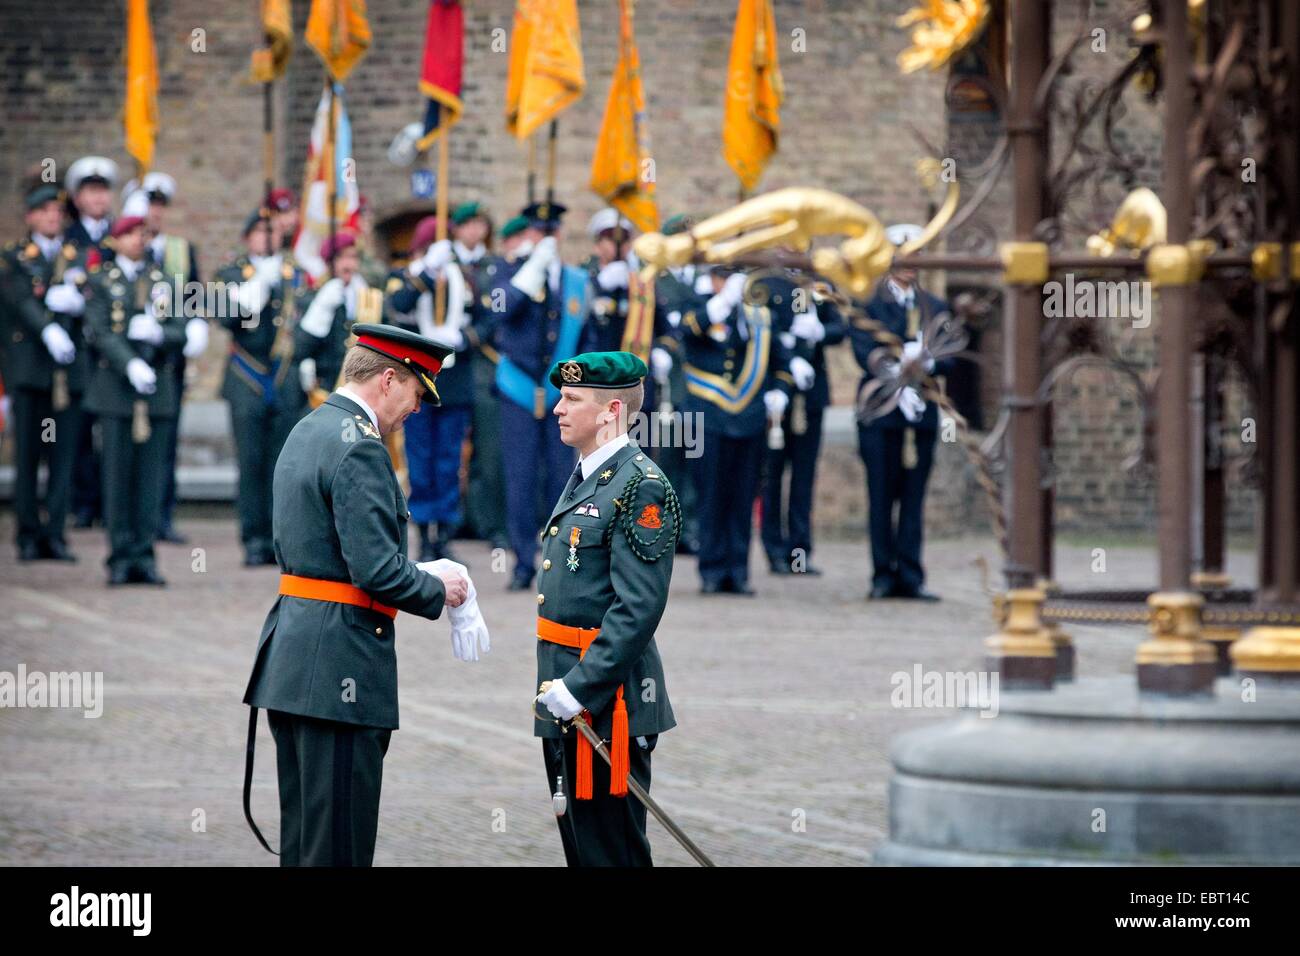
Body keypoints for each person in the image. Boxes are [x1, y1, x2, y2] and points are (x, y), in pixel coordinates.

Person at [242, 324, 474, 867]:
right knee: (338, 848)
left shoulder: (310, 428)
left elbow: (329, 553)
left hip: (293, 657)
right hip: (339, 666)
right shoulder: (362, 448)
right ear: (389, 380)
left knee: (305, 845)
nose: (416, 410)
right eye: (417, 394)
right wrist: (441, 587)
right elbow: (376, 572)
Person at [533, 350, 678, 867]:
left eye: (572, 400)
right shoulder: (590, 474)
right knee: (582, 845)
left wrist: (580, 686)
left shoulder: (641, 486)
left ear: (611, 410)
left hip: (608, 702)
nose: (558, 409)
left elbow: (637, 608)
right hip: (568, 692)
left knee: (611, 853)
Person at [81, 214, 196, 586]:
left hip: (157, 389)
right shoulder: (101, 280)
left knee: (150, 477)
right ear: (115, 239)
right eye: (129, 233)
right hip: (117, 389)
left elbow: (181, 329)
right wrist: (129, 363)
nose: (137, 240)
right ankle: (119, 555)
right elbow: (98, 331)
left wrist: (160, 334)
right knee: (117, 476)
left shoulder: (163, 281)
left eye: (141, 233)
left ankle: (144, 555)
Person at [850, 224, 956, 601]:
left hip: (920, 414)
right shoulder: (869, 303)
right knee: (881, 497)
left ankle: (911, 574)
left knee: (913, 499)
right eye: (901, 256)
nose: (909, 265)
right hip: (881, 414)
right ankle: (882, 574)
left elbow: (951, 355)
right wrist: (898, 372)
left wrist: (927, 366)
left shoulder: (935, 307)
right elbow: (863, 351)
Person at [486, 201, 588, 590]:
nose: (544, 238)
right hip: (519, 388)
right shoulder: (508, 271)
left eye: (550, 232)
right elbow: (501, 310)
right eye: (537, 231)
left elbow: (586, 336)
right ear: (527, 235)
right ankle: (522, 563)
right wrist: (531, 271)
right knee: (520, 477)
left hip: (561, 389)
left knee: (562, 478)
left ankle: (560, 559)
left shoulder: (574, 279)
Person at [680, 266, 795, 595]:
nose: (728, 282)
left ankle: (739, 570)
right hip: (708, 417)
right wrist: (722, 303)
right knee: (711, 495)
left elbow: (781, 363)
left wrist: (780, 391)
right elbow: (687, 332)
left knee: (743, 497)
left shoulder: (759, 315)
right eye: (722, 275)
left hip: (749, 419)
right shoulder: (699, 305)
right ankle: (713, 570)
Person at [214, 209, 312, 566]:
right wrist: (258, 284)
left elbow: (307, 321)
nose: (266, 238)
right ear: (247, 237)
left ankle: (278, 538)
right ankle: (252, 538)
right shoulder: (231, 274)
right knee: (251, 461)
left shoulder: (294, 275)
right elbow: (226, 316)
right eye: (259, 231)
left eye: (271, 231)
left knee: (282, 464)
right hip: (246, 377)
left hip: (285, 377)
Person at [0, 178, 90, 561]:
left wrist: (79, 298)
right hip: (30, 372)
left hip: (67, 376)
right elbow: (19, 299)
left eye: (58, 212)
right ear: (31, 216)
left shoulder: (79, 255)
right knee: (28, 456)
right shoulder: (16, 256)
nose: (53, 217)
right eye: (46, 211)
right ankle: (26, 533)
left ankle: (55, 532)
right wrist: (48, 324)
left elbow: (100, 293)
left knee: (62, 457)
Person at [384, 216, 476, 562]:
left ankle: (446, 533)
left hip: (454, 383)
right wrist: (425, 274)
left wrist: (463, 338)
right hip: (417, 384)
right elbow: (398, 307)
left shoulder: (462, 276)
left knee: (449, 462)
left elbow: (483, 318)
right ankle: (422, 531)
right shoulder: (403, 277)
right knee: (420, 459)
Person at [128, 173, 205, 545]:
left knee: (166, 439)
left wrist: (196, 324)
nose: (154, 214)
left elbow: (193, 293)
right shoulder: (124, 251)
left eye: (159, 207)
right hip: (130, 360)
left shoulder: (178, 249)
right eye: (148, 205)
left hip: (168, 357)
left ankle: (162, 514)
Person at [759, 273, 846, 575]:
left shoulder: (820, 284)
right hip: (778, 392)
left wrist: (819, 331)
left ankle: (799, 553)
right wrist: (789, 346)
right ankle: (774, 551)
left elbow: (840, 327)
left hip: (810, 395)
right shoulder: (768, 283)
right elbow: (760, 328)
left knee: (803, 477)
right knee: (772, 476)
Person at [64, 155, 120, 529]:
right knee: (79, 425)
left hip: (114, 347)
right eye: (90, 192)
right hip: (80, 345)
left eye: (103, 191)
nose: (98, 199)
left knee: (113, 425)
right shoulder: (69, 240)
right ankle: (82, 500)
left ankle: (106, 501)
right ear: (78, 197)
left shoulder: (121, 237)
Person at [453, 202, 510, 552]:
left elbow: (500, 311)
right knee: (453, 452)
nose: (475, 231)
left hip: (486, 365)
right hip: (453, 369)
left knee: (490, 453)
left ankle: (492, 525)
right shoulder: (445, 264)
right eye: (468, 224)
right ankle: (454, 521)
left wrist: (474, 334)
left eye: (479, 224)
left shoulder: (495, 267)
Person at [295, 232, 384, 404]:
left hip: (361, 391)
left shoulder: (371, 298)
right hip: (324, 390)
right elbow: (300, 349)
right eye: (341, 257)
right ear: (330, 262)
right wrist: (322, 307)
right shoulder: (312, 297)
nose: (348, 264)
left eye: (353, 257)